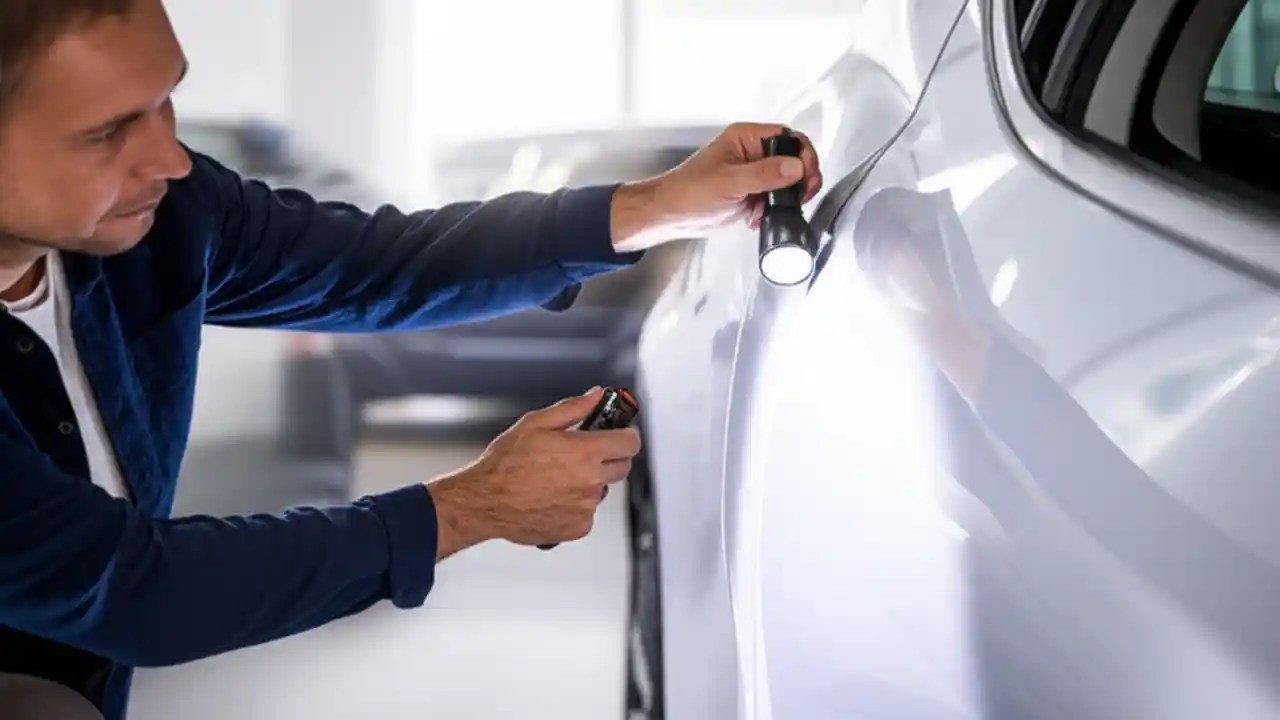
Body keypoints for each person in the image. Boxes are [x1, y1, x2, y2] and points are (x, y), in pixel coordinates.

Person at [0, 1, 824, 718]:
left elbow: (378, 265)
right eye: (107, 133)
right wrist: (470, 506)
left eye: (166, 100)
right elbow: (137, 591)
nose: (170, 159)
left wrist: (652, 207)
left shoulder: (166, 217)